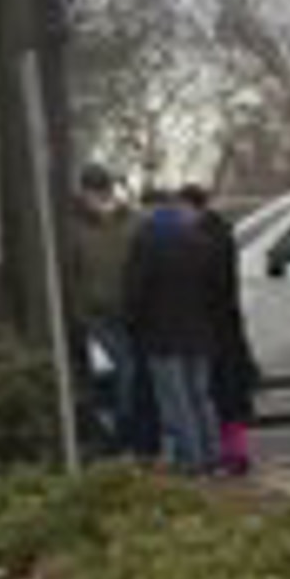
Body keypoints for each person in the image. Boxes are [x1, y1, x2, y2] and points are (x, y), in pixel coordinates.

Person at [124, 190, 230, 476]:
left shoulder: (145, 242)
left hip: (161, 335)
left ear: (149, 210)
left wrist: (133, 325)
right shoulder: (199, 241)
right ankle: (214, 456)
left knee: (175, 401)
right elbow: (215, 291)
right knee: (201, 397)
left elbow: (136, 292)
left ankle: (190, 460)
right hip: (200, 332)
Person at [69, 165, 157, 459]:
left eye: (101, 189)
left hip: (132, 312)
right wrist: (81, 311)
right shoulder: (74, 227)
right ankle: (119, 431)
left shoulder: (132, 222)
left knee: (131, 373)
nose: (98, 196)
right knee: (119, 372)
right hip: (97, 316)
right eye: (92, 190)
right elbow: (73, 274)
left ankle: (128, 431)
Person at [180, 185, 262, 477]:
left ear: (192, 207)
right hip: (227, 323)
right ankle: (236, 452)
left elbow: (207, 283)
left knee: (221, 392)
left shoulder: (204, 239)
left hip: (215, 325)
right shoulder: (221, 233)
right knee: (230, 393)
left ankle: (233, 455)